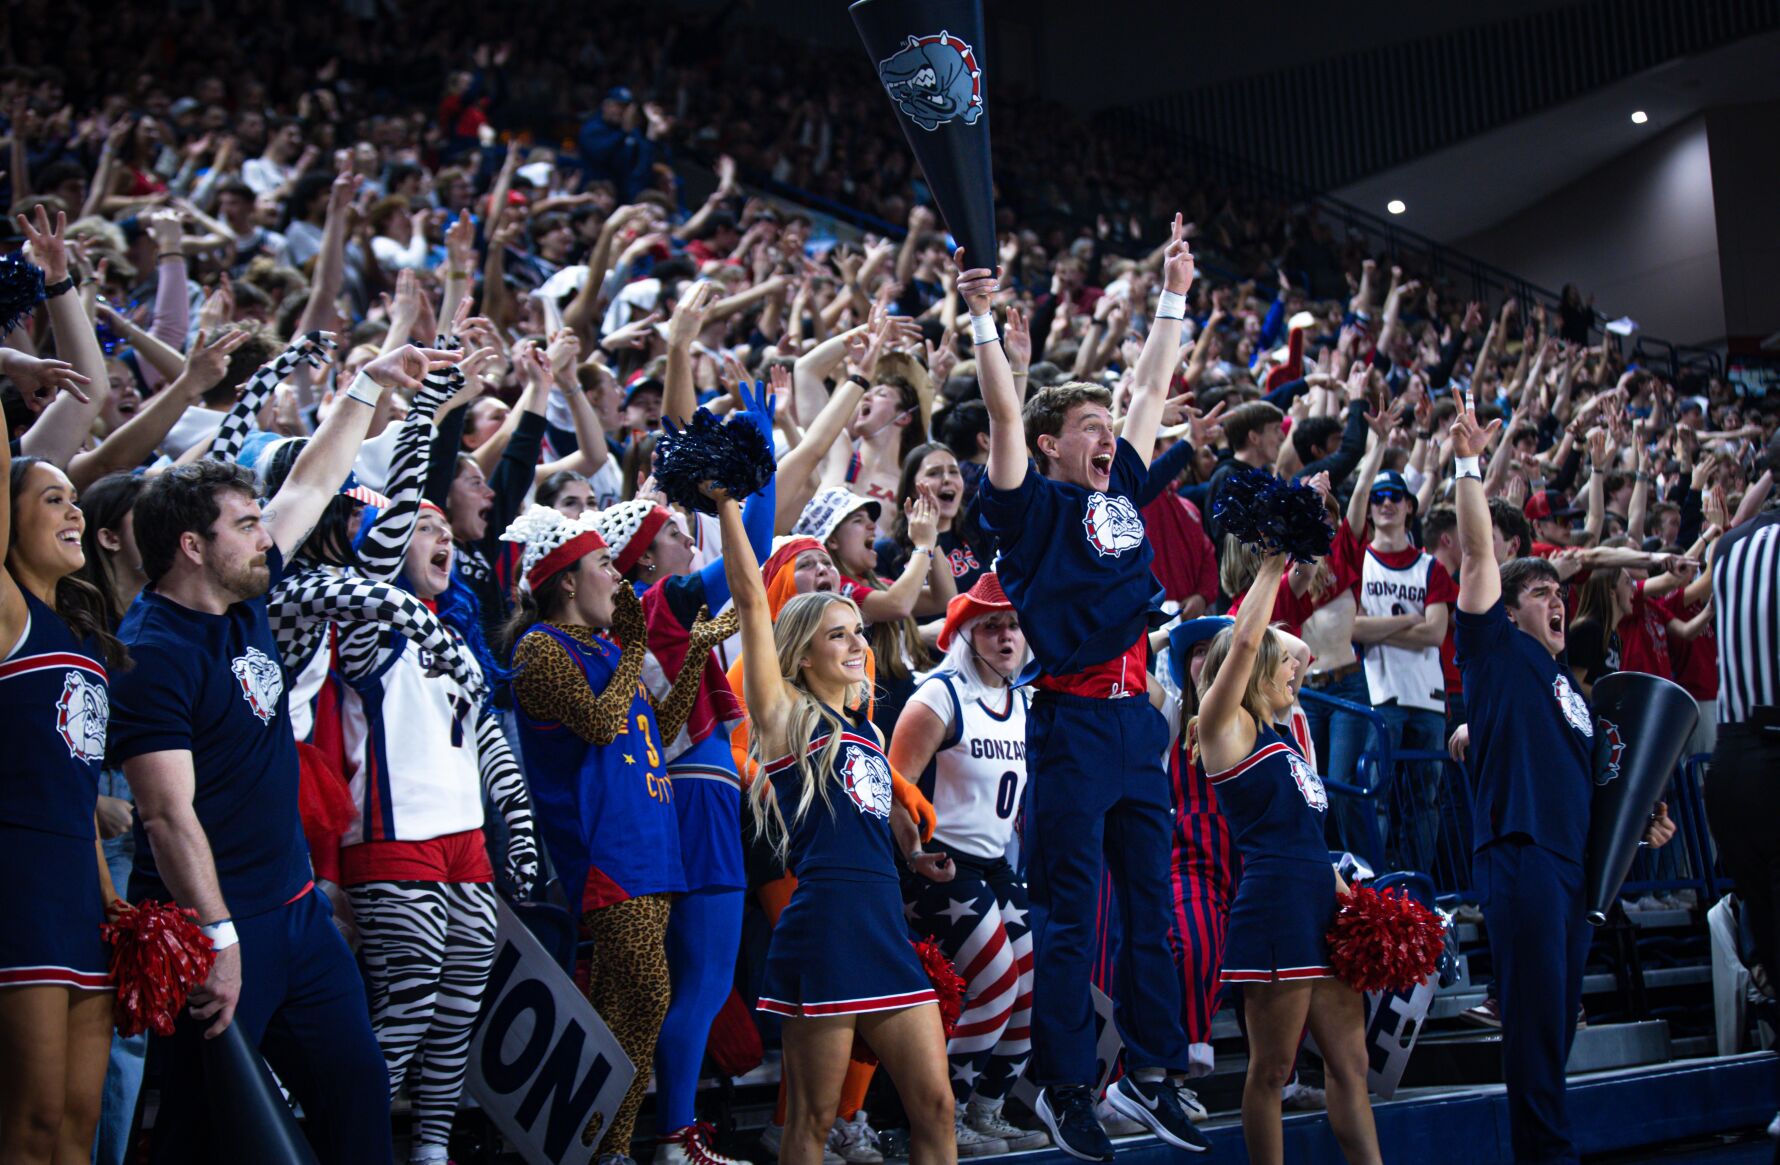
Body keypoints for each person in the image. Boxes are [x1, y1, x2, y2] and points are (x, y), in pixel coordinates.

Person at [110, 343, 457, 1164]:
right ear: (193, 546)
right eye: (244, 525)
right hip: (222, 922)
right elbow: (166, 815)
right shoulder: (153, 650)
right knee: (205, 1125)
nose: (266, 535)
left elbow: (309, 482)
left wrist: (370, 383)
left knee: (357, 1089)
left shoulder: (241, 597)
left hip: (296, 906)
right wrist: (220, 938)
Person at [959, 221, 1208, 1161]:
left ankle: (1151, 1073)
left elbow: (1147, 386)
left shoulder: (1119, 494)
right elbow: (1008, 421)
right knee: (1071, 914)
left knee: (1154, 905)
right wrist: (987, 329)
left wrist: (1173, 293)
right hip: (1066, 719)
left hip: (1134, 723)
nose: (1110, 434)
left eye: (1111, 428)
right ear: (1057, 445)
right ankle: (1065, 1085)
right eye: (1091, 428)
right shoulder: (1032, 509)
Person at [1446, 387, 1675, 1165]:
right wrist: (1470, 464)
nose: (1555, 600)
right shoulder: (1496, 653)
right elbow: (1480, 556)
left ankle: (1551, 1147)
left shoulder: (1569, 691)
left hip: (1570, 867)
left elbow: (1596, 784)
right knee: (1539, 1025)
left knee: (1557, 1022)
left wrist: (1641, 821)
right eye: (1539, 592)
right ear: (1507, 611)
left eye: (1558, 591)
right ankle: (1550, 1157)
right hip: (1520, 851)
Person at [718, 486, 958, 1165]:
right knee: (813, 1123)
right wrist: (729, 505)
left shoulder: (867, 725)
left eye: (858, 630)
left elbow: (876, 810)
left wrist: (913, 850)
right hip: (825, 928)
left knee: (935, 1106)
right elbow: (747, 600)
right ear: (800, 654)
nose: (857, 643)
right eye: (838, 634)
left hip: (883, 922)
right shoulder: (785, 718)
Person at [505, 504, 728, 1165]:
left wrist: (695, 650)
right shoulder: (541, 646)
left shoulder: (604, 646)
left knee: (615, 1009)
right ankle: (612, 1147)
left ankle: (597, 1145)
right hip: (604, 850)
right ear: (567, 581)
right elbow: (601, 727)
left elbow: (656, 731)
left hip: (648, 839)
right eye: (605, 563)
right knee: (649, 995)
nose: (618, 578)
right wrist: (636, 646)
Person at [1192, 555, 1381, 1165]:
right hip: (1274, 909)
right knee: (1272, 1070)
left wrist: (1340, 888)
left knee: (1352, 1063)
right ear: (1253, 670)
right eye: (1282, 665)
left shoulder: (1283, 736)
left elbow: (1288, 642)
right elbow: (1248, 640)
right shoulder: (1228, 728)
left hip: (1320, 903)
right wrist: (1274, 563)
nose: (1297, 668)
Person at [890, 573, 1048, 1156]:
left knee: (1031, 993)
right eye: (990, 626)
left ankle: (988, 1109)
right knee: (997, 984)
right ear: (966, 634)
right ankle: (943, 1118)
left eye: (1012, 624)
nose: (1005, 636)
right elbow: (893, 782)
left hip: (994, 865)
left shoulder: (1025, 700)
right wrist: (912, 853)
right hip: (939, 862)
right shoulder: (940, 695)